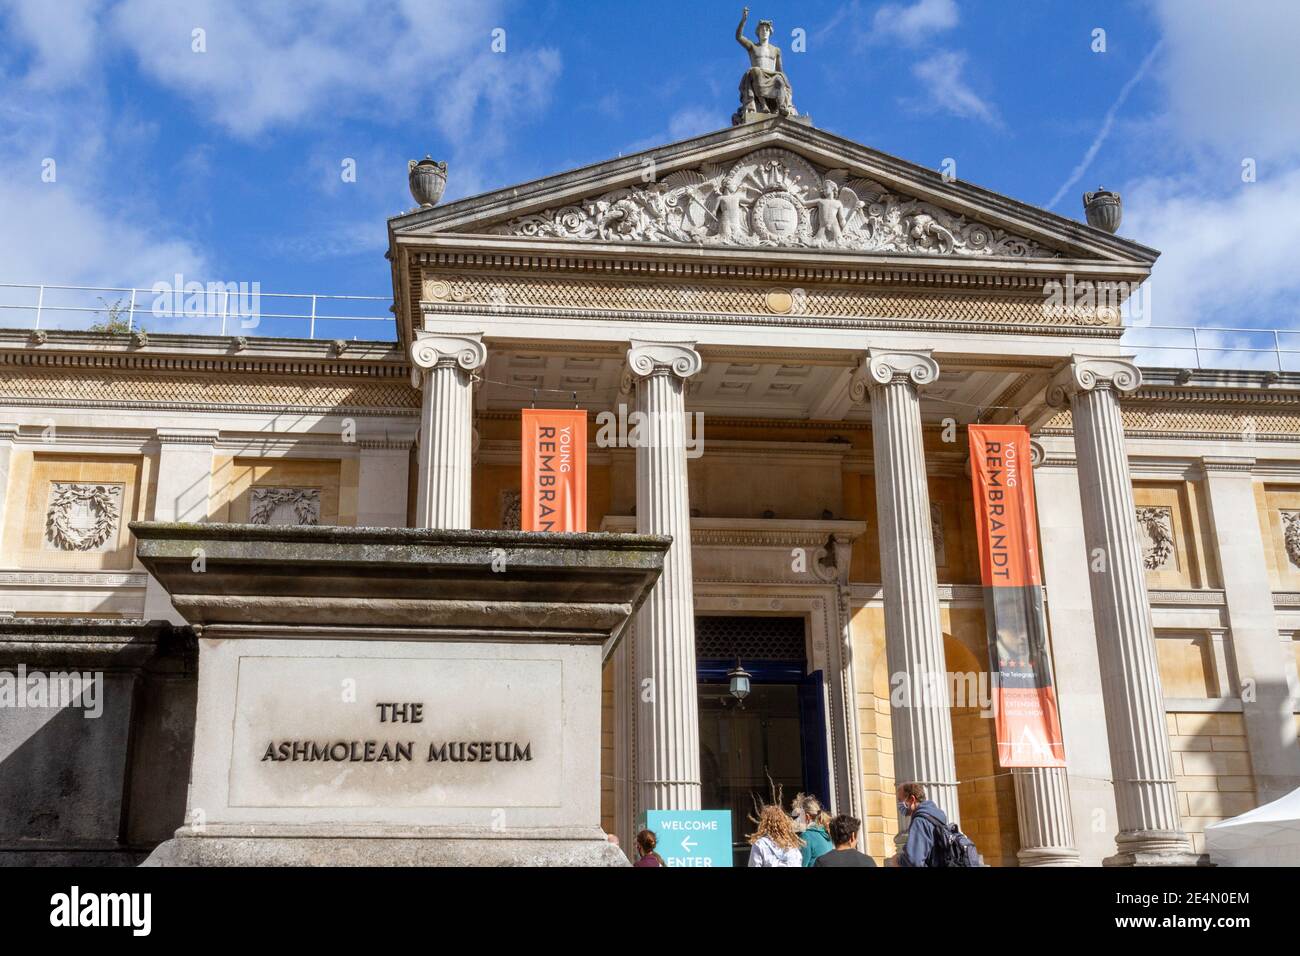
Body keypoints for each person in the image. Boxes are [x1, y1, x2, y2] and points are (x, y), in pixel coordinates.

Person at [894, 782, 947, 867]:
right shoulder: (936, 817)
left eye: (900, 800)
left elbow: (914, 860)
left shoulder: (920, 821)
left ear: (912, 799)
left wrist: (898, 861)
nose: (899, 805)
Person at [791, 792, 834, 867]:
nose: (795, 821)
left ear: (807, 817)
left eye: (797, 817)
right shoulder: (827, 833)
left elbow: (801, 865)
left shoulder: (806, 836)